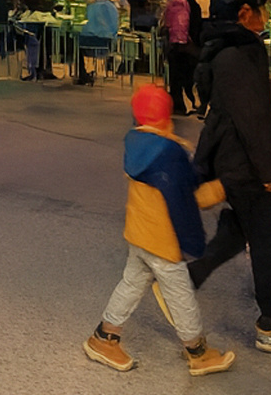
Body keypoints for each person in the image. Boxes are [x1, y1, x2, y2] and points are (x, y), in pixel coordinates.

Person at [188, 0, 271, 357]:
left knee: (237, 229)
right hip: (244, 163)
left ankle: (186, 279)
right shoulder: (240, 55)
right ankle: (269, 326)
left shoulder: (220, 49)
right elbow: (254, 118)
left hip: (231, 159)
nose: (267, 18)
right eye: (263, 11)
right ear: (245, 14)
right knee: (264, 242)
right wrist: (270, 173)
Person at [83, 84, 235, 377]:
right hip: (162, 241)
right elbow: (187, 198)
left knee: (132, 284)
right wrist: (221, 188)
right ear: (166, 117)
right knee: (180, 294)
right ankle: (198, 352)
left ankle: (104, 337)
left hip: (139, 234)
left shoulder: (136, 142)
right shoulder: (168, 153)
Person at [73, 0, 122, 86]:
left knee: (74, 43)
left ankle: (82, 74)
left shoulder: (90, 7)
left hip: (88, 41)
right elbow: (115, 26)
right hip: (106, 42)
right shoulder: (112, 7)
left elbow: (86, 24)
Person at [165, 0, 203, 115]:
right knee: (189, 77)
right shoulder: (194, 5)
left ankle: (180, 105)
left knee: (177, 77)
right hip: (190, 47)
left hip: (179, 45)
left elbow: (174, 24)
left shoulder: (177, 3)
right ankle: (192, 102)